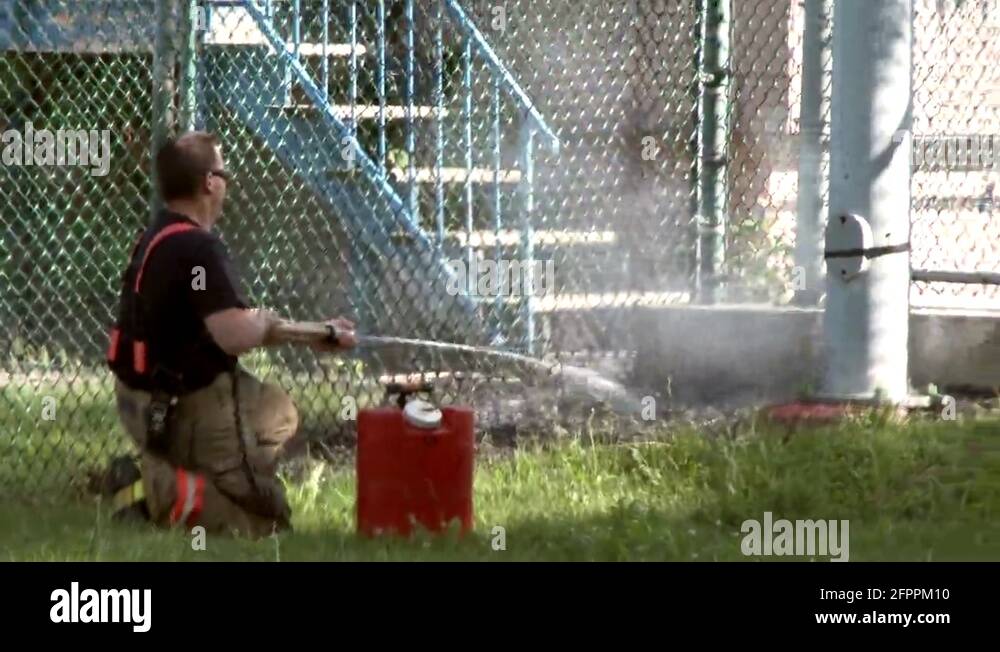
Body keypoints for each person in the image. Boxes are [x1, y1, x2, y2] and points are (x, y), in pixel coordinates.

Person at [103, 131, 356, 538]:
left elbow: (230, 323)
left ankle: (197, 468)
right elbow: (236, 335)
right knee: (268, 522)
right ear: (208, 182)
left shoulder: (157, 238)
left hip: (142, 403)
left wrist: (320, 332)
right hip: (185, 406)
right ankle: (150, 489)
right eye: (225, 174)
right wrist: (259, 322)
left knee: (279, 414)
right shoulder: (198, 250)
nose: (228, 183)